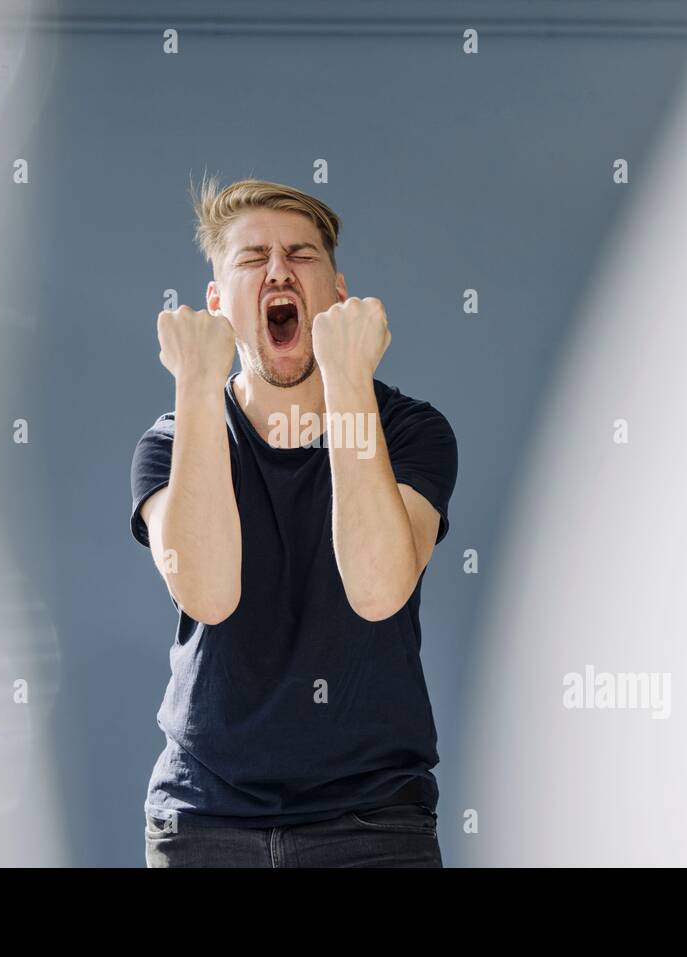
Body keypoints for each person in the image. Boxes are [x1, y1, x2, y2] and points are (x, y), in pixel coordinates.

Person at [129, 175, 458, 866]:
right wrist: (194, 385)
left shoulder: (412, 432)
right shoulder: (170, 442)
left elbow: (377, 586)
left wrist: (346, 381)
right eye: (252, 259)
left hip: (373, 825)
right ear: (218, 305)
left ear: (339, 293)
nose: (279, 269)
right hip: (203, 822)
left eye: (301, 255)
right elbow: (208, 591)